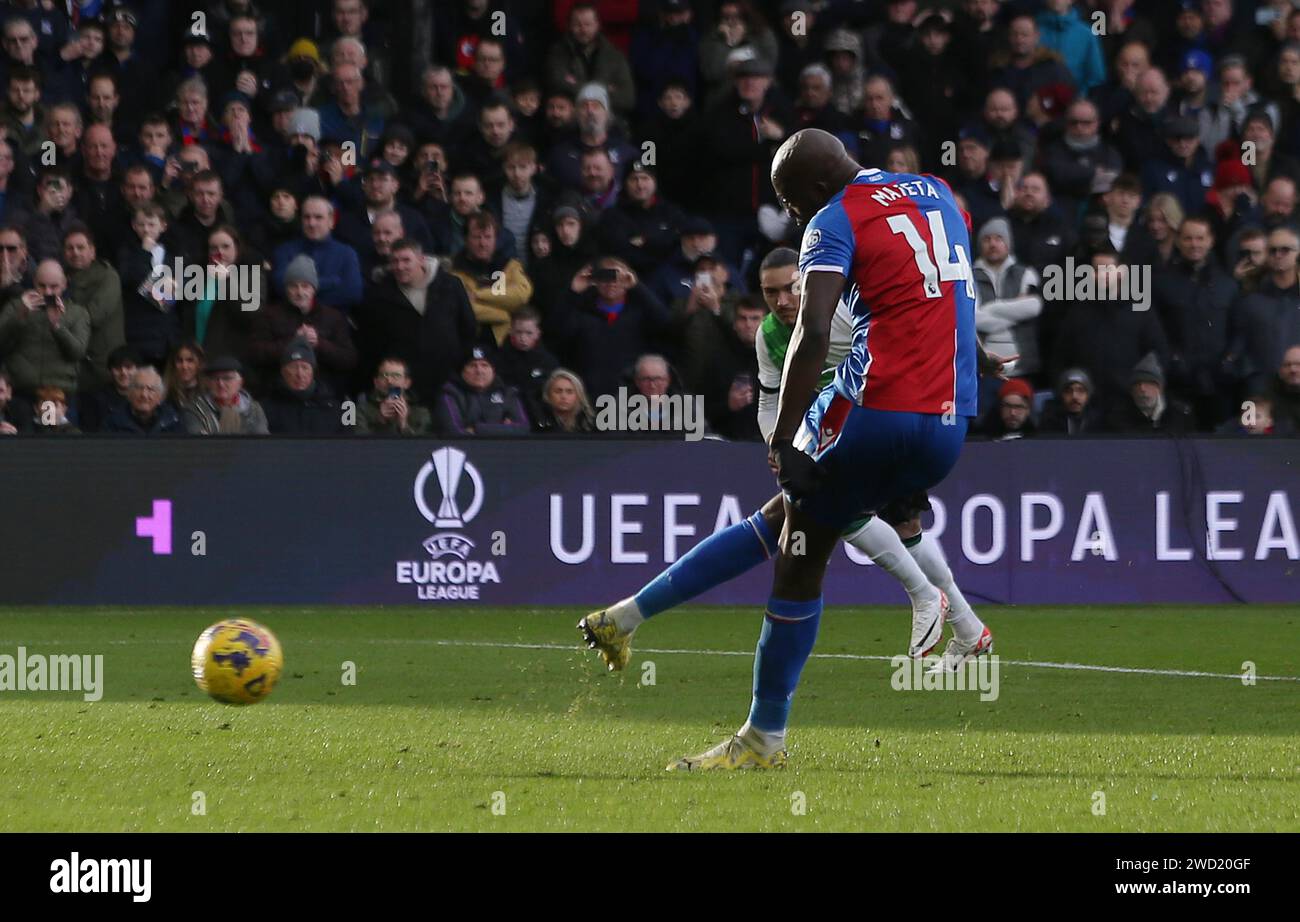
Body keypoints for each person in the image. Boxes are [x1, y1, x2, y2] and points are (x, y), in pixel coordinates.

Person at [581, 131, 990, 772]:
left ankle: (763, 736)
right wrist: (980, 354)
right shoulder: (940, 193)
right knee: (785, 521)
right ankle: (626, 618)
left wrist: (785, 434)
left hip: (874, 411)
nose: (791, 213)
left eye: (790, 200)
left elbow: (815, 326)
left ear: (814, 187)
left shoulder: (834, 217)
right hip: (948, 423)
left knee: (798, 561)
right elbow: (952, 288)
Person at [434, 345, 530, 435]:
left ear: (493, 370)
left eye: (484, 365)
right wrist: (502, 428)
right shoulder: (450, 394)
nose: (479, 371)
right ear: (462, 371)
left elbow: (523, 428)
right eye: (472, 365)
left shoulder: (508, 393)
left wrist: (477, 429)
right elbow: (453, 432)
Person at [262, 339, 345, 434]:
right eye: (293, 367)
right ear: (283, 372)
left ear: (313, 371)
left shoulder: (335, 408)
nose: (300, 374)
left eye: (305, 367)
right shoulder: (265, 409)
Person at [183, 354, 269, 434]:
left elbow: (262, 443)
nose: (220, 384)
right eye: (215, 378)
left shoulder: (254, 409)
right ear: (208, 383)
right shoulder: (194, 409)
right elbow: (197, 445)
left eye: (227, 378)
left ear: (240, 382)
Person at [354, 356, 432, 435]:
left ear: (407, 383)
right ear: (376, 382)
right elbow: (360, 444)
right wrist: (380, 421)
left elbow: (424, 446)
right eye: (384, 375)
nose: (389, 381)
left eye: (396, 376)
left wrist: (404, 425)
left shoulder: (420, 412)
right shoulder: (361, 411)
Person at [103, 365, 184, 434]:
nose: (144, 395)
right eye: (139, 388)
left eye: (151, 389)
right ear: (129, 394)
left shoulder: (173, 421)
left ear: (160, 397)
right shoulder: (113, 422)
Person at [1038, 368, 1104, 434]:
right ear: (1061, 395)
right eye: (1068, 391)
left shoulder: (1099, 422)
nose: (1074, 397)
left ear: (1088, 395)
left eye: (1081, 391)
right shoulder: (1049, 421)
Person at [533, 367, 595, 433]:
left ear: (579, 396)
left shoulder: (590, 424)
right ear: (548, 396)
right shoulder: (539, 424)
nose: (563, 396)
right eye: (558, 391)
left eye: (569, 392)